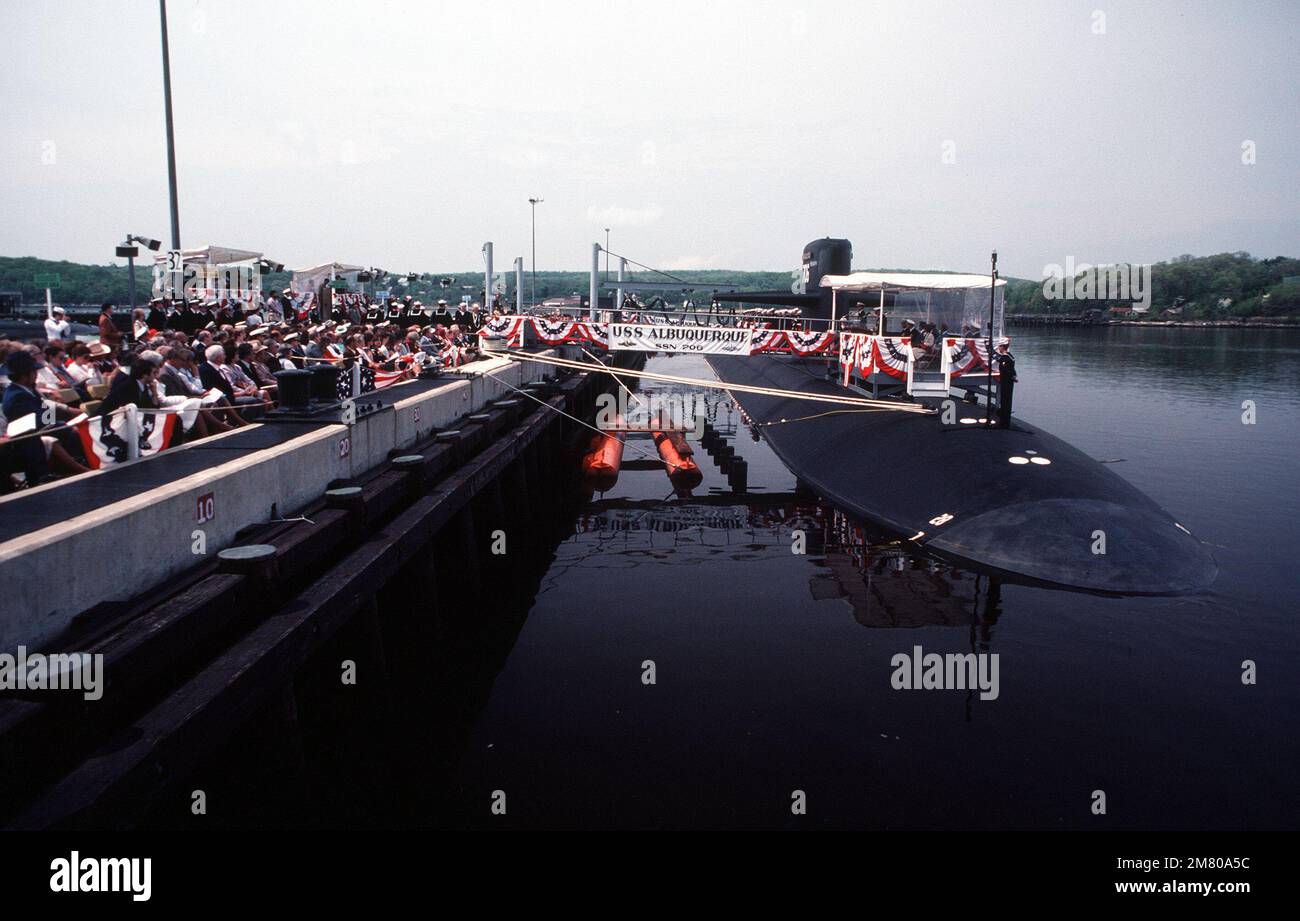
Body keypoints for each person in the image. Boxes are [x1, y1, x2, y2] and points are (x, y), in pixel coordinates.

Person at [994, 337, 1018, 428]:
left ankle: (1003, 422)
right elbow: (1012, 369)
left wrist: (1011, 376)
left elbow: (1006, 370)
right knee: (1007, 401)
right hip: (1009, 382)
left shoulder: (1005, 358)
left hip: (1006, 382)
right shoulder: (1010, 356)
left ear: (1002, 347)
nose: (998, 349)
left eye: (999, 347)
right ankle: (1005, 419)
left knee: (1005, 401)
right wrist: (1014, 376)